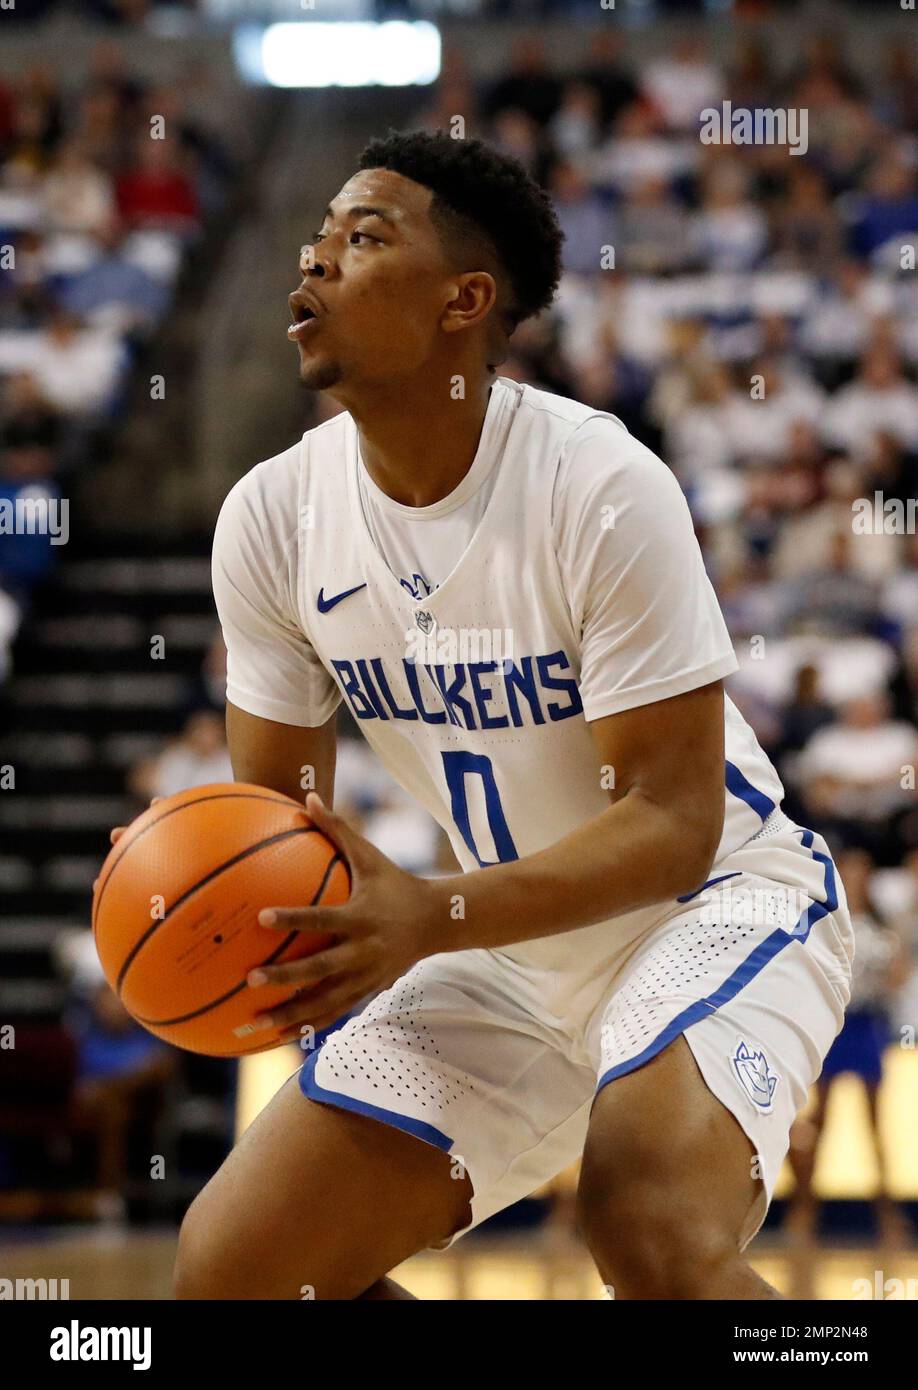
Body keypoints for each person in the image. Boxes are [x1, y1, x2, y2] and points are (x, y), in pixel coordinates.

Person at [136, 131, 853, 1300]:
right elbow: (276, 821)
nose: (311, 265)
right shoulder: (271, 518)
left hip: (714, 900)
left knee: (648, 1227)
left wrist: (430, 911)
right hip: (498, 942)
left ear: (465, 300)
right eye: (315, 241)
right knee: (238, 1271)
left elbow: (674, 823)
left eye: (363, 240)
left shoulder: (599, 483)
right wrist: (230, 928)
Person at [785, 847, 908, 1245]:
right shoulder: (827, 921)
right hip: (836, 1027)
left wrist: (887, 978)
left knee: (874, 1126)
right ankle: (804, 1212)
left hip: (866, 1024)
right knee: (820, 1120)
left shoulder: (880, 925)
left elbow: (898, 973)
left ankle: (887, 1217)